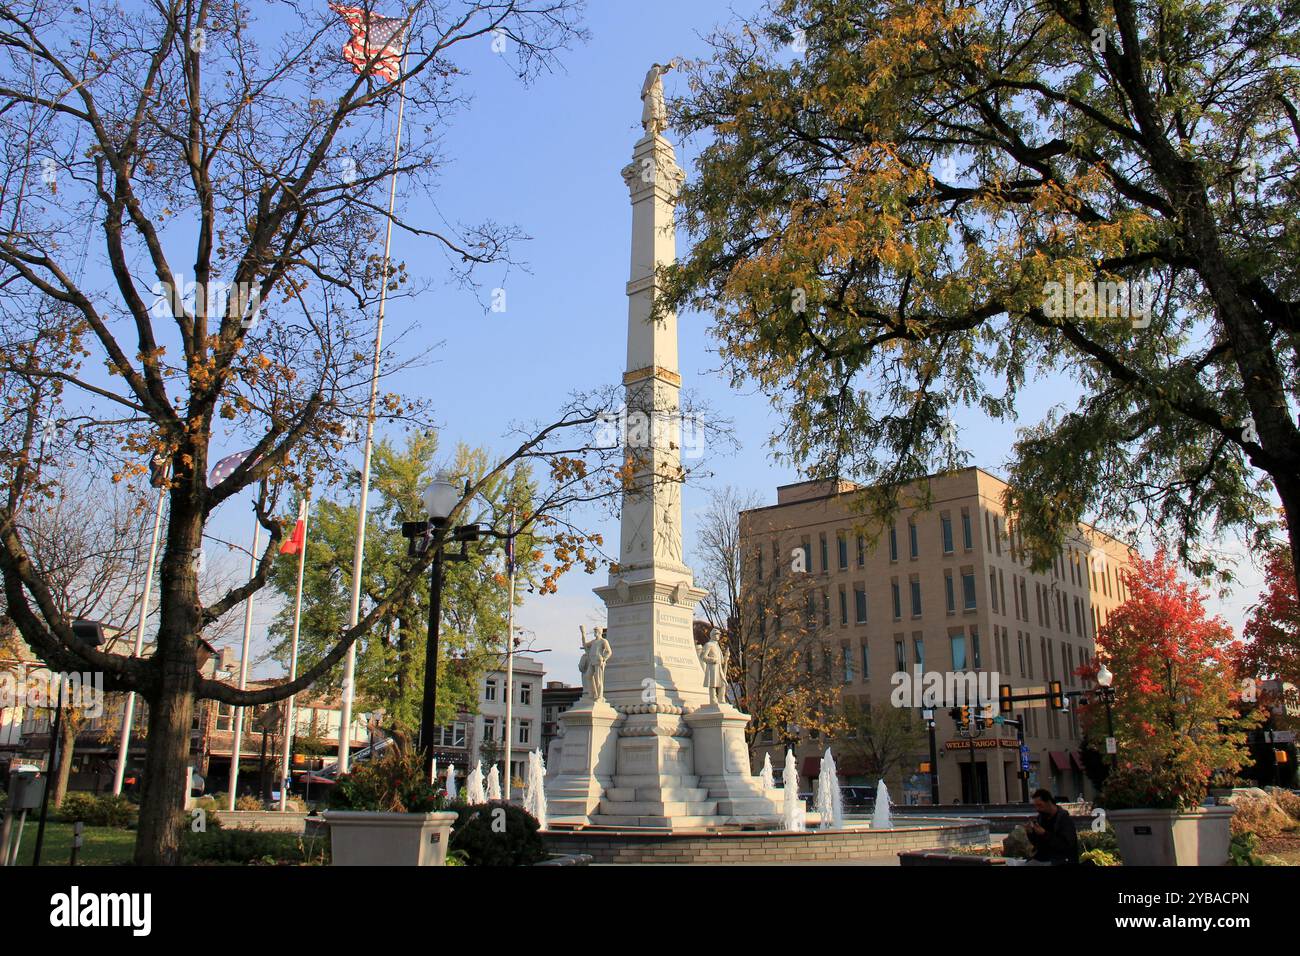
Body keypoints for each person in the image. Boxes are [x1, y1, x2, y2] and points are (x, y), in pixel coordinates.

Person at [1025, 789, 1079, 864]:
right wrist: (1030, 833)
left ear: (1049, 802)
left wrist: (1044, 834)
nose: (1037, 809)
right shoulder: (1041, 818)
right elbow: (1039, 845)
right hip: (1042, 859)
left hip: (1061, 860)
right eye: (1035, 806)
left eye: (1040, 805)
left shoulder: (1064, 820)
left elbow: (1065, 846)